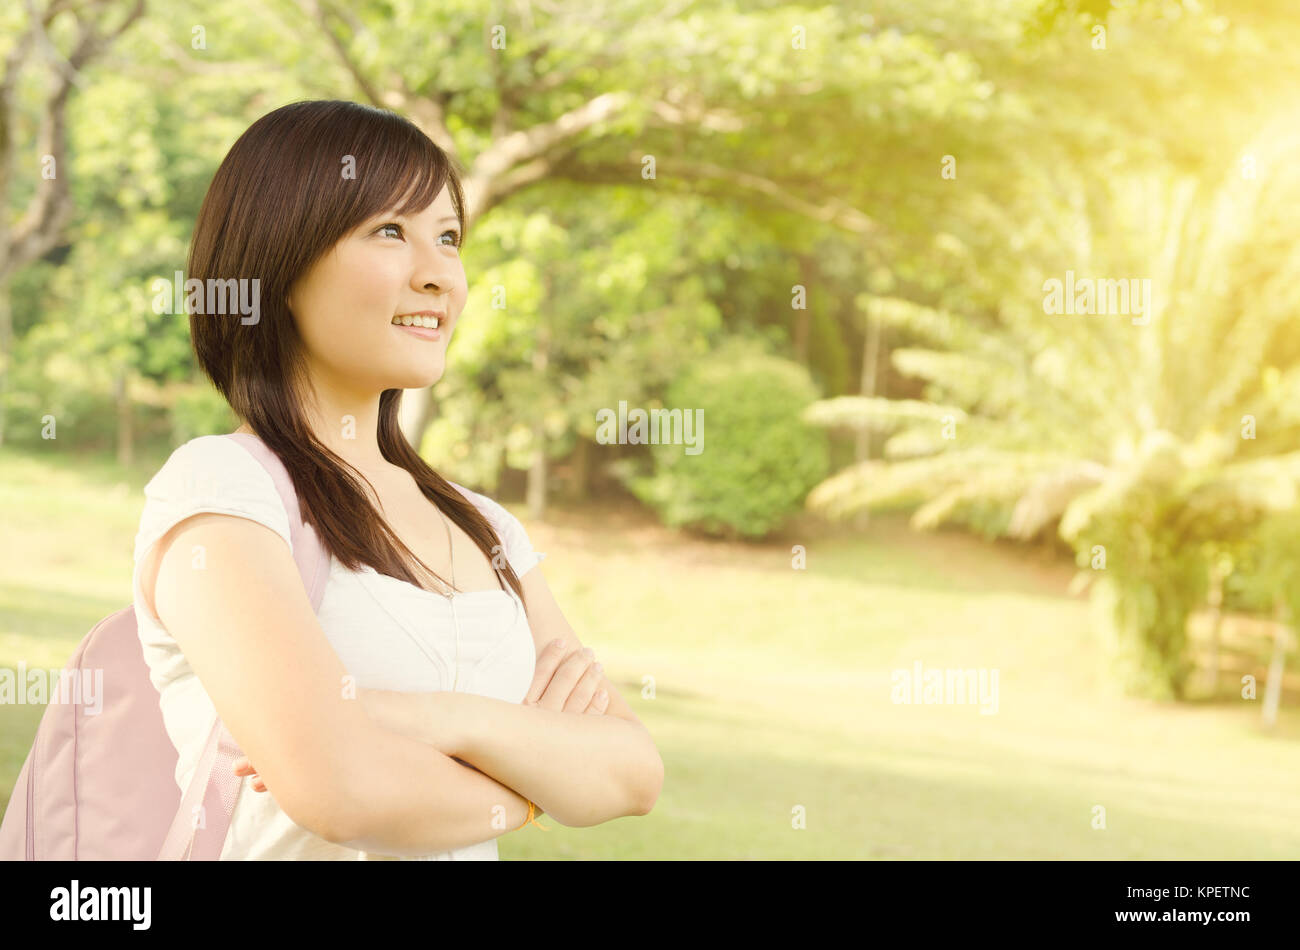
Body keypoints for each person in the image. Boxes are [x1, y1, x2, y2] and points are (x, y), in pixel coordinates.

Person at [133, 99, 663, 860]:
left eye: (448, 238)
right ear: (279, 263)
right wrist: (541, 781)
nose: (438, 275)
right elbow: (341, 793)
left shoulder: (486, 526)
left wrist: (441, 722)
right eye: (390, 232)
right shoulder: (221, 492)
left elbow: (635, 774)